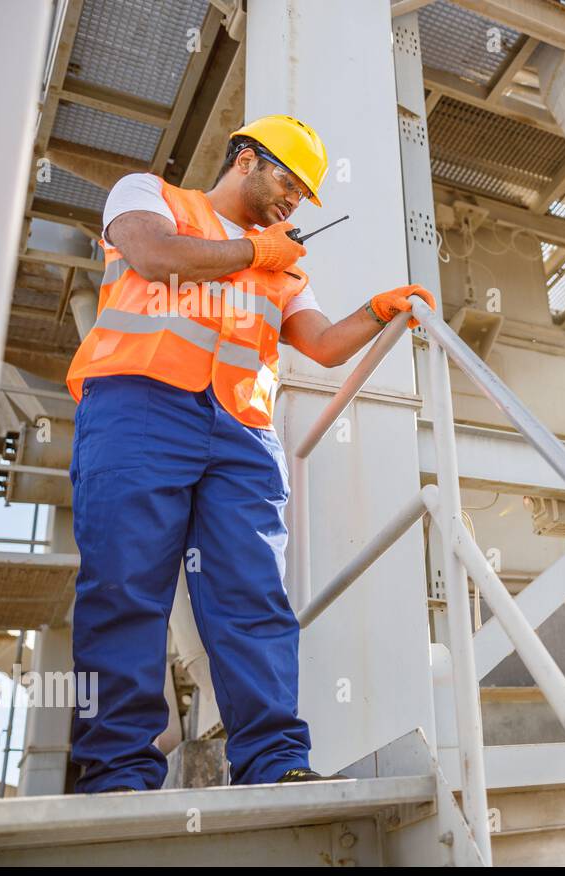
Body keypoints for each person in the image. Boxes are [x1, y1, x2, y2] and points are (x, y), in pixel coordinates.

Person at [63, 114, 434, 792]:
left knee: (253, 597)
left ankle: (273, 760)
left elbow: (319, 342)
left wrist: (380, 311)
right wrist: (256, 254)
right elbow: (154, 255)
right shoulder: (150, 196)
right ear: (244, 158)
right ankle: (117, 771)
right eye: (288, 181)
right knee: (124, 587)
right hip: (137, 408)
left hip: (241, 434)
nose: (295, 201)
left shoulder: (283, 265)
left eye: (304, 194)